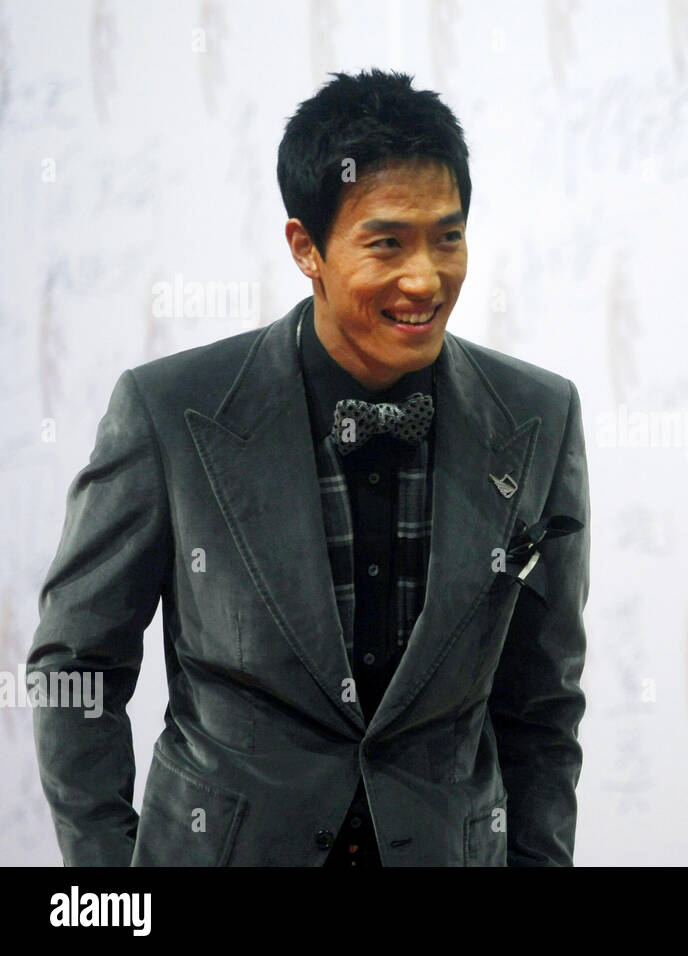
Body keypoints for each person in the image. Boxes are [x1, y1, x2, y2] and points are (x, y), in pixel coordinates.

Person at [26, 69, 590, 866]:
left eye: (448, 237)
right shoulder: (170, 412)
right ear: (306, 249)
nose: (425, 278)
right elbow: (73, 670)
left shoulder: (538, 416)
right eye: (388, 242)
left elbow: (543, 705)